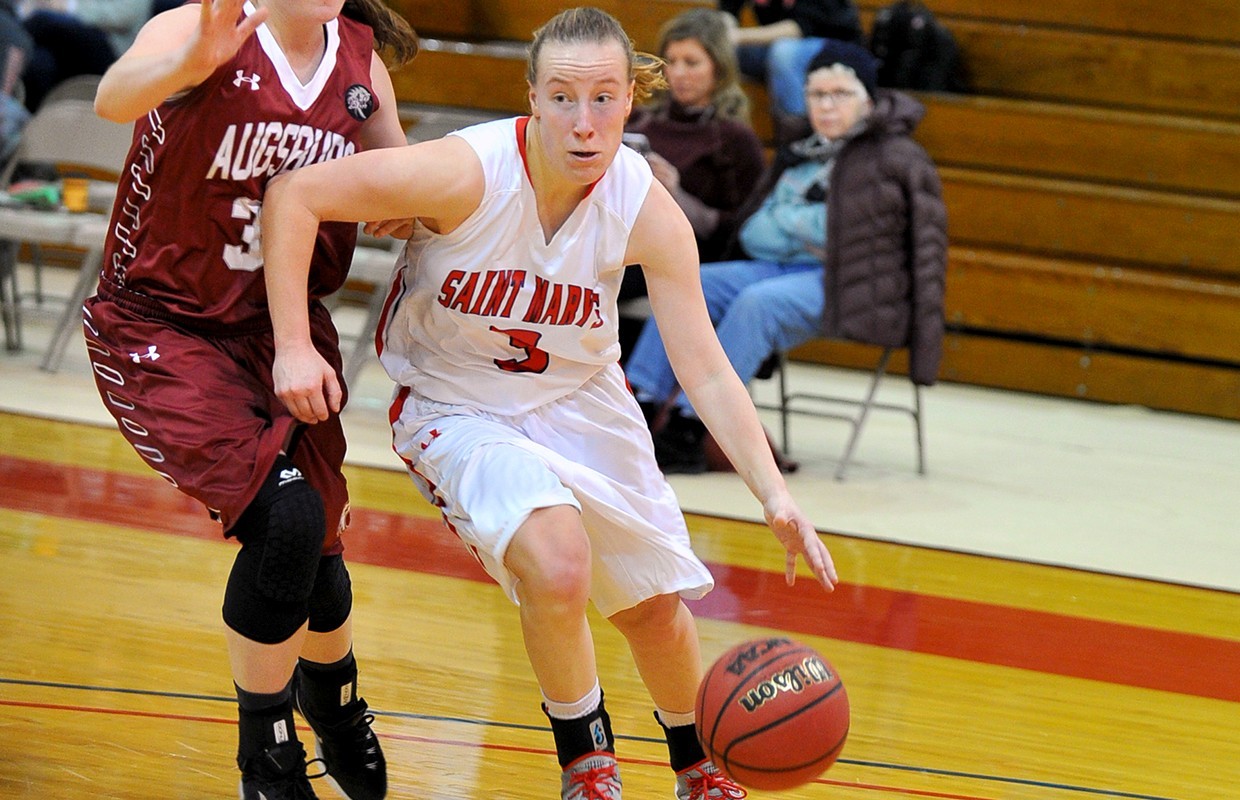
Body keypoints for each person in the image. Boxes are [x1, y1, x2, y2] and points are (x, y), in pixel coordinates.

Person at [259, 7, 839, 799]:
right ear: (531, 97)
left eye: (604, 98)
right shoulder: (467, 172)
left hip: (583, 398)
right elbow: (292, 195)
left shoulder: (644, 206)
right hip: (459, 404)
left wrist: (774, 495)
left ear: (632, 99)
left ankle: (700, 767)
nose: (584, 121)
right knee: (559, 565)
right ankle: (588, 764)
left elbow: (703, 368)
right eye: (563, 97)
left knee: (655, 610)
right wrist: (293, 344)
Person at [81, 1, 417, 798]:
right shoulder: (205, 26)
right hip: (161, 327)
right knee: (288, 519)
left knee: (317, 553)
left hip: (283, 330)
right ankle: (264, 758)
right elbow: (112, 97)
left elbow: (400, 194)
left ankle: (334, 708)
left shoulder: (360, 66)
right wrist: (185, 66)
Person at [626, 40, 947, 474]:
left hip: (848, 285)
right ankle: (638, 406)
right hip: (777, 268)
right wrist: (805, 222)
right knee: (693, 280)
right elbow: (758, 231)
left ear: (868, 100)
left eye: (840, 94)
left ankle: (690, 426)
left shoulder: (898, 159)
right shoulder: (800, 150)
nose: (826, 106)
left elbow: (887, 245)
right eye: (817, 95)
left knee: (759, 303)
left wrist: (790, 220)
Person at [624, 8, 766, 266]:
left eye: (691, 62)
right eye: (671, 61)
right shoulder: (639, 120)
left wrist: (676, 195)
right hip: (625, 236)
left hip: (686, 255)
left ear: (718, 68)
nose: (678, 73)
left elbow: (744, 231)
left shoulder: (734, 138)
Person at [718, 0, 863, 134]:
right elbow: (728, 10)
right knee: (715, 52)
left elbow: (798, 28)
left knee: (784, 53)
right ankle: (715, 132)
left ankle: (796, 138)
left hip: (837, 48)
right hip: (774, 49)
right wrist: (724, 27)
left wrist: (737, 36)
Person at [19, 0, 149, 110]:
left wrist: (68, 6)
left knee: (41, 20)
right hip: (59, 45)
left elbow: (123, 15)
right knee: (39, 63)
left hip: (110, 50)